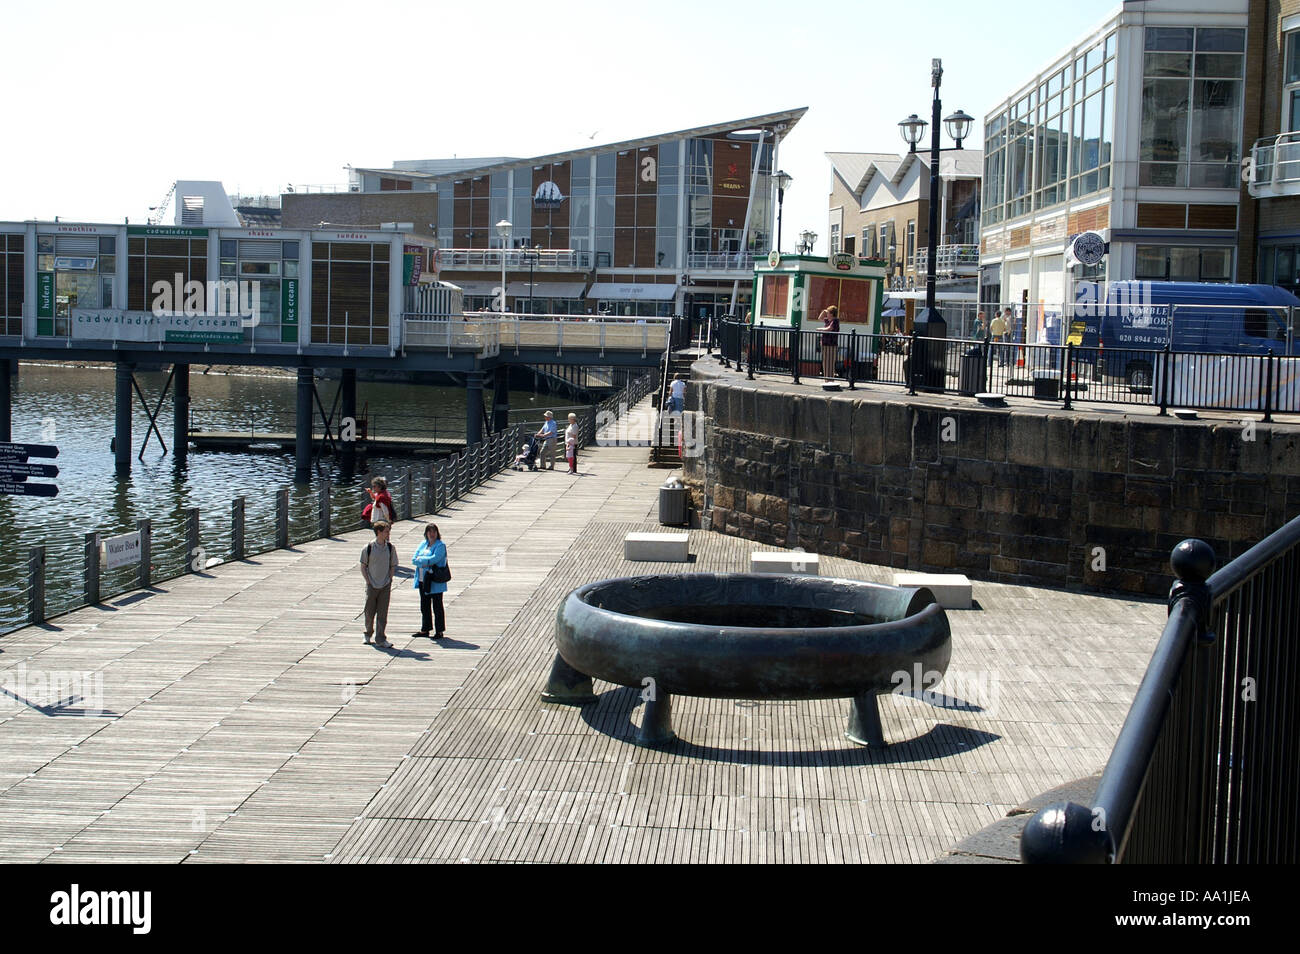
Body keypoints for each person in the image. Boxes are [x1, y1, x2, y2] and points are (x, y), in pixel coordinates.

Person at [360, 520, 397, 648]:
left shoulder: (391, 548)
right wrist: (368, 581)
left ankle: (381, 638)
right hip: (372, 584)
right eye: (386, 532)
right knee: (369, 612)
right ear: (379, 532)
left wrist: (390, 579)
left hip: (385, 585)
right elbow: (363, 566)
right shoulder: (368, 548)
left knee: (382, 614)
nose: (388, 534)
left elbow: (393, 565)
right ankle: (367, 634)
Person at [411, 523, 448, 639]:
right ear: (426, 533)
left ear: (437, 533)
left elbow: (435, 559)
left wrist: (421, 560)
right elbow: (414, 559)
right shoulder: (423, 544)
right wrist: (425, 561)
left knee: (437, 606)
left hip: (435, 579)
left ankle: (439, 630)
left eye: (434, 532)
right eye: (429, 532)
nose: (432, 534)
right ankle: (425, 629)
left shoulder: (440, 545)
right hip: (423, 579)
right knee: (424, 605)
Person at [819, 305, 840, 380]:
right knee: (825, 362)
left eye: (828, 313)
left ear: (832, 314)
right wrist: (824, 311)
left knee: (830, 363)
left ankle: (830, 379)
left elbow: (830, 328)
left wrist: (820, 329)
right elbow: (819, 318)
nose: (827, 314)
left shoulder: (835, 320)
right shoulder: (828, 320)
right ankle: (826, 379)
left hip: (831, 345)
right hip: (825, 344)